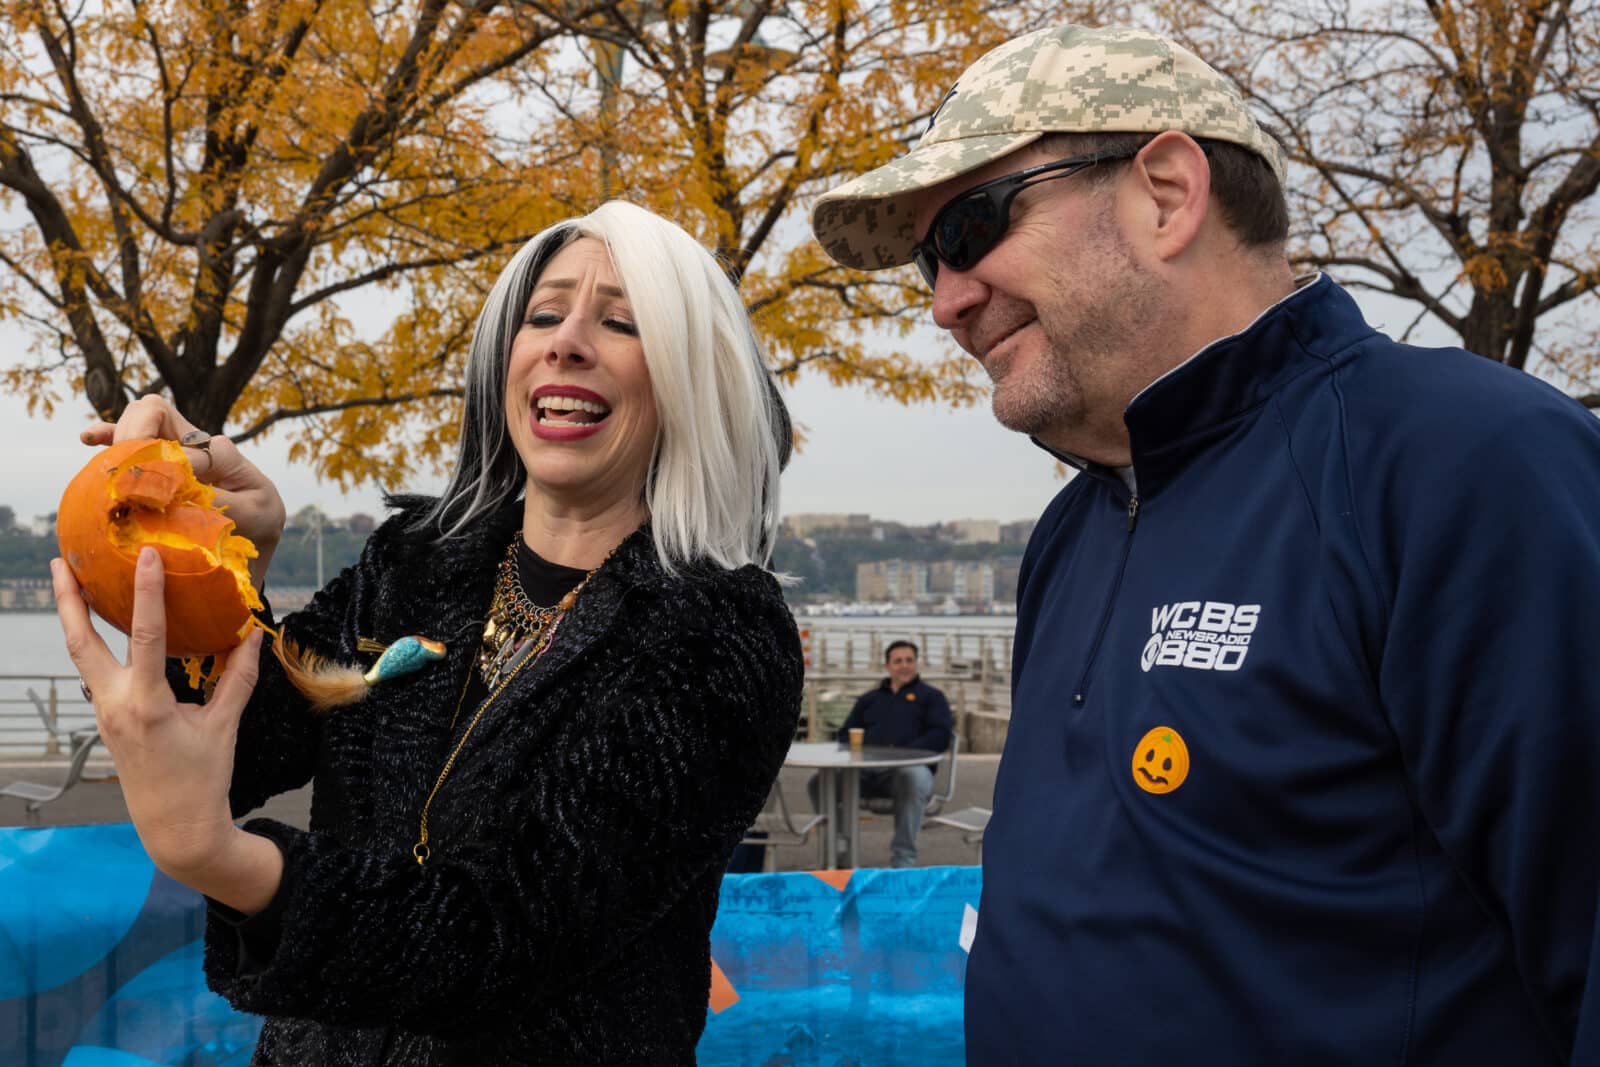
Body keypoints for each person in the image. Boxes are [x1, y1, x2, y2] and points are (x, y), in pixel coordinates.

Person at [811, 23, 1600, 1066]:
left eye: (966, 228)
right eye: (926, 265)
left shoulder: (1463, 463)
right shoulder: (1071, 530)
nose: (947, 301)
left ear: (1169, 194)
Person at [53, 200, 805, 1065]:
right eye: (544, 314)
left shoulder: (720, 634)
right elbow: (241, 751)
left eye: (623, 323)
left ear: (690, 381)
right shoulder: (415, 563)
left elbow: (506, 934)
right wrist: (212, 574)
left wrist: (229, 862)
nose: (565, 343)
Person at [809, 640, 952, 868]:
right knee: (818, 783)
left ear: (916, 664)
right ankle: (836, 850)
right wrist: (861, 752)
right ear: (887, 666)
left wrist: (902, 754)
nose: (904, 666)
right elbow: (845, 734)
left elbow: (941, 736)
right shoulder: (869, 700)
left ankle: (903, 859)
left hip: (903, 775)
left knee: (915, 776)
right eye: (898, 661)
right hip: (863, 774)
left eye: (909, 660)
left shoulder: (932, 698)